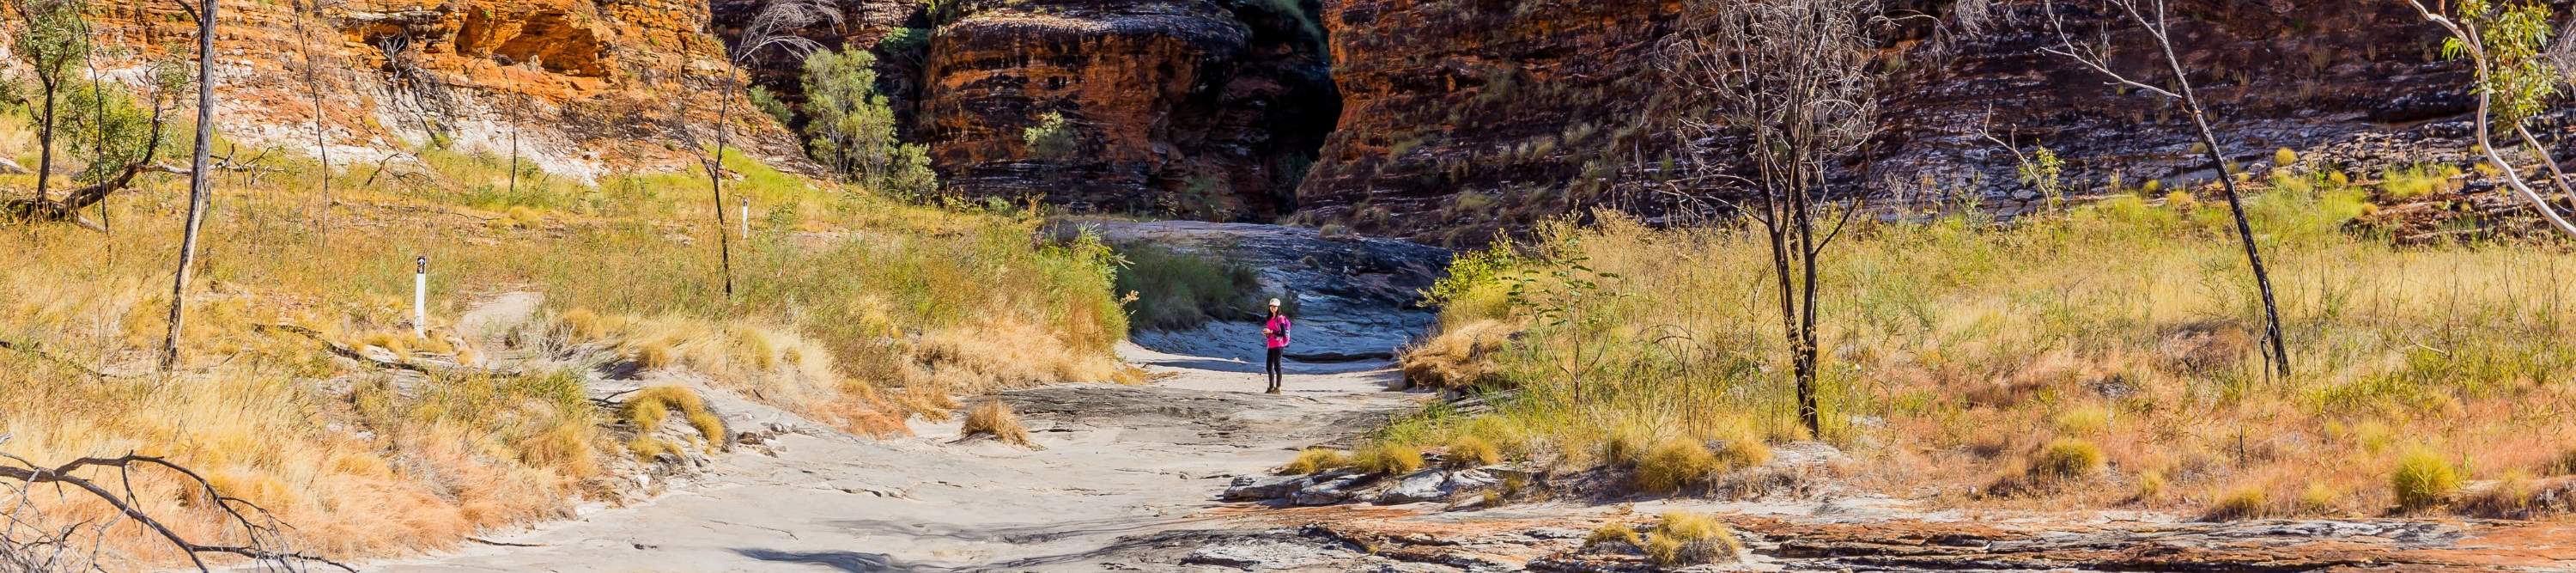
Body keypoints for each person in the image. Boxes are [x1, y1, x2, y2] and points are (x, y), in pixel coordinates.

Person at [1261, 297, 1291, 394]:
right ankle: (1270, 388)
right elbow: (1272, 332)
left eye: (1274, 306)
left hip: (1279, 345)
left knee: (1277, 366)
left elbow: (1282, 333)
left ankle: (1278, 388)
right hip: (1271, 345)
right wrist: (1267, 333)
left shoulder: (1280, 318)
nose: (1272, 308)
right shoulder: (1269, 319)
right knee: (1268, 367)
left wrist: (1271, 331)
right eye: (1271, 306)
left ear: (1278, 307)